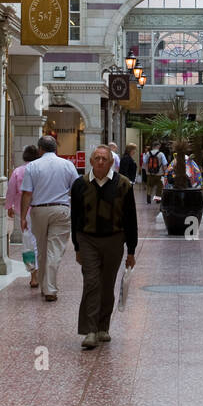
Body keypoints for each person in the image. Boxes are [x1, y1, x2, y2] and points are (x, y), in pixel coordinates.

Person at [71, 145, 137, 350]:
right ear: (91, 161)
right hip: (87, 239)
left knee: (107, 285)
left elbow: (130, 219)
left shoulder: (123, 184)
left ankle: (102, 327)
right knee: (92, 282)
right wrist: (77, 247)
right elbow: (76, 217)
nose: (100, 162)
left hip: (114, 240)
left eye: (104, 159)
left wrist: (131, 250)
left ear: (111, 163)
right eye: (97, 158)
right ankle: (90, 331)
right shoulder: (80, 184)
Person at [20, 134, 80, 302]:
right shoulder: (67, 165)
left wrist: (23, 216)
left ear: (40, 149)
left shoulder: (32, 166)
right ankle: (50, 289)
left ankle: (44, 284)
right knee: (55, 250)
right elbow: (76, 189)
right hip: (61, 209)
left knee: (42, 248)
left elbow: (27, 193)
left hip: (38, 210)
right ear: (56, 148)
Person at [6, 145, 40, 287]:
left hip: (25, 213)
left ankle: (33, 275)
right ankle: (42, 273)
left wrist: (9, 206)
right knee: (41, 242)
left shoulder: (18, 171)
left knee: (28, 242)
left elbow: (10, 191)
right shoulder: (40, 170)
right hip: (41, 209)